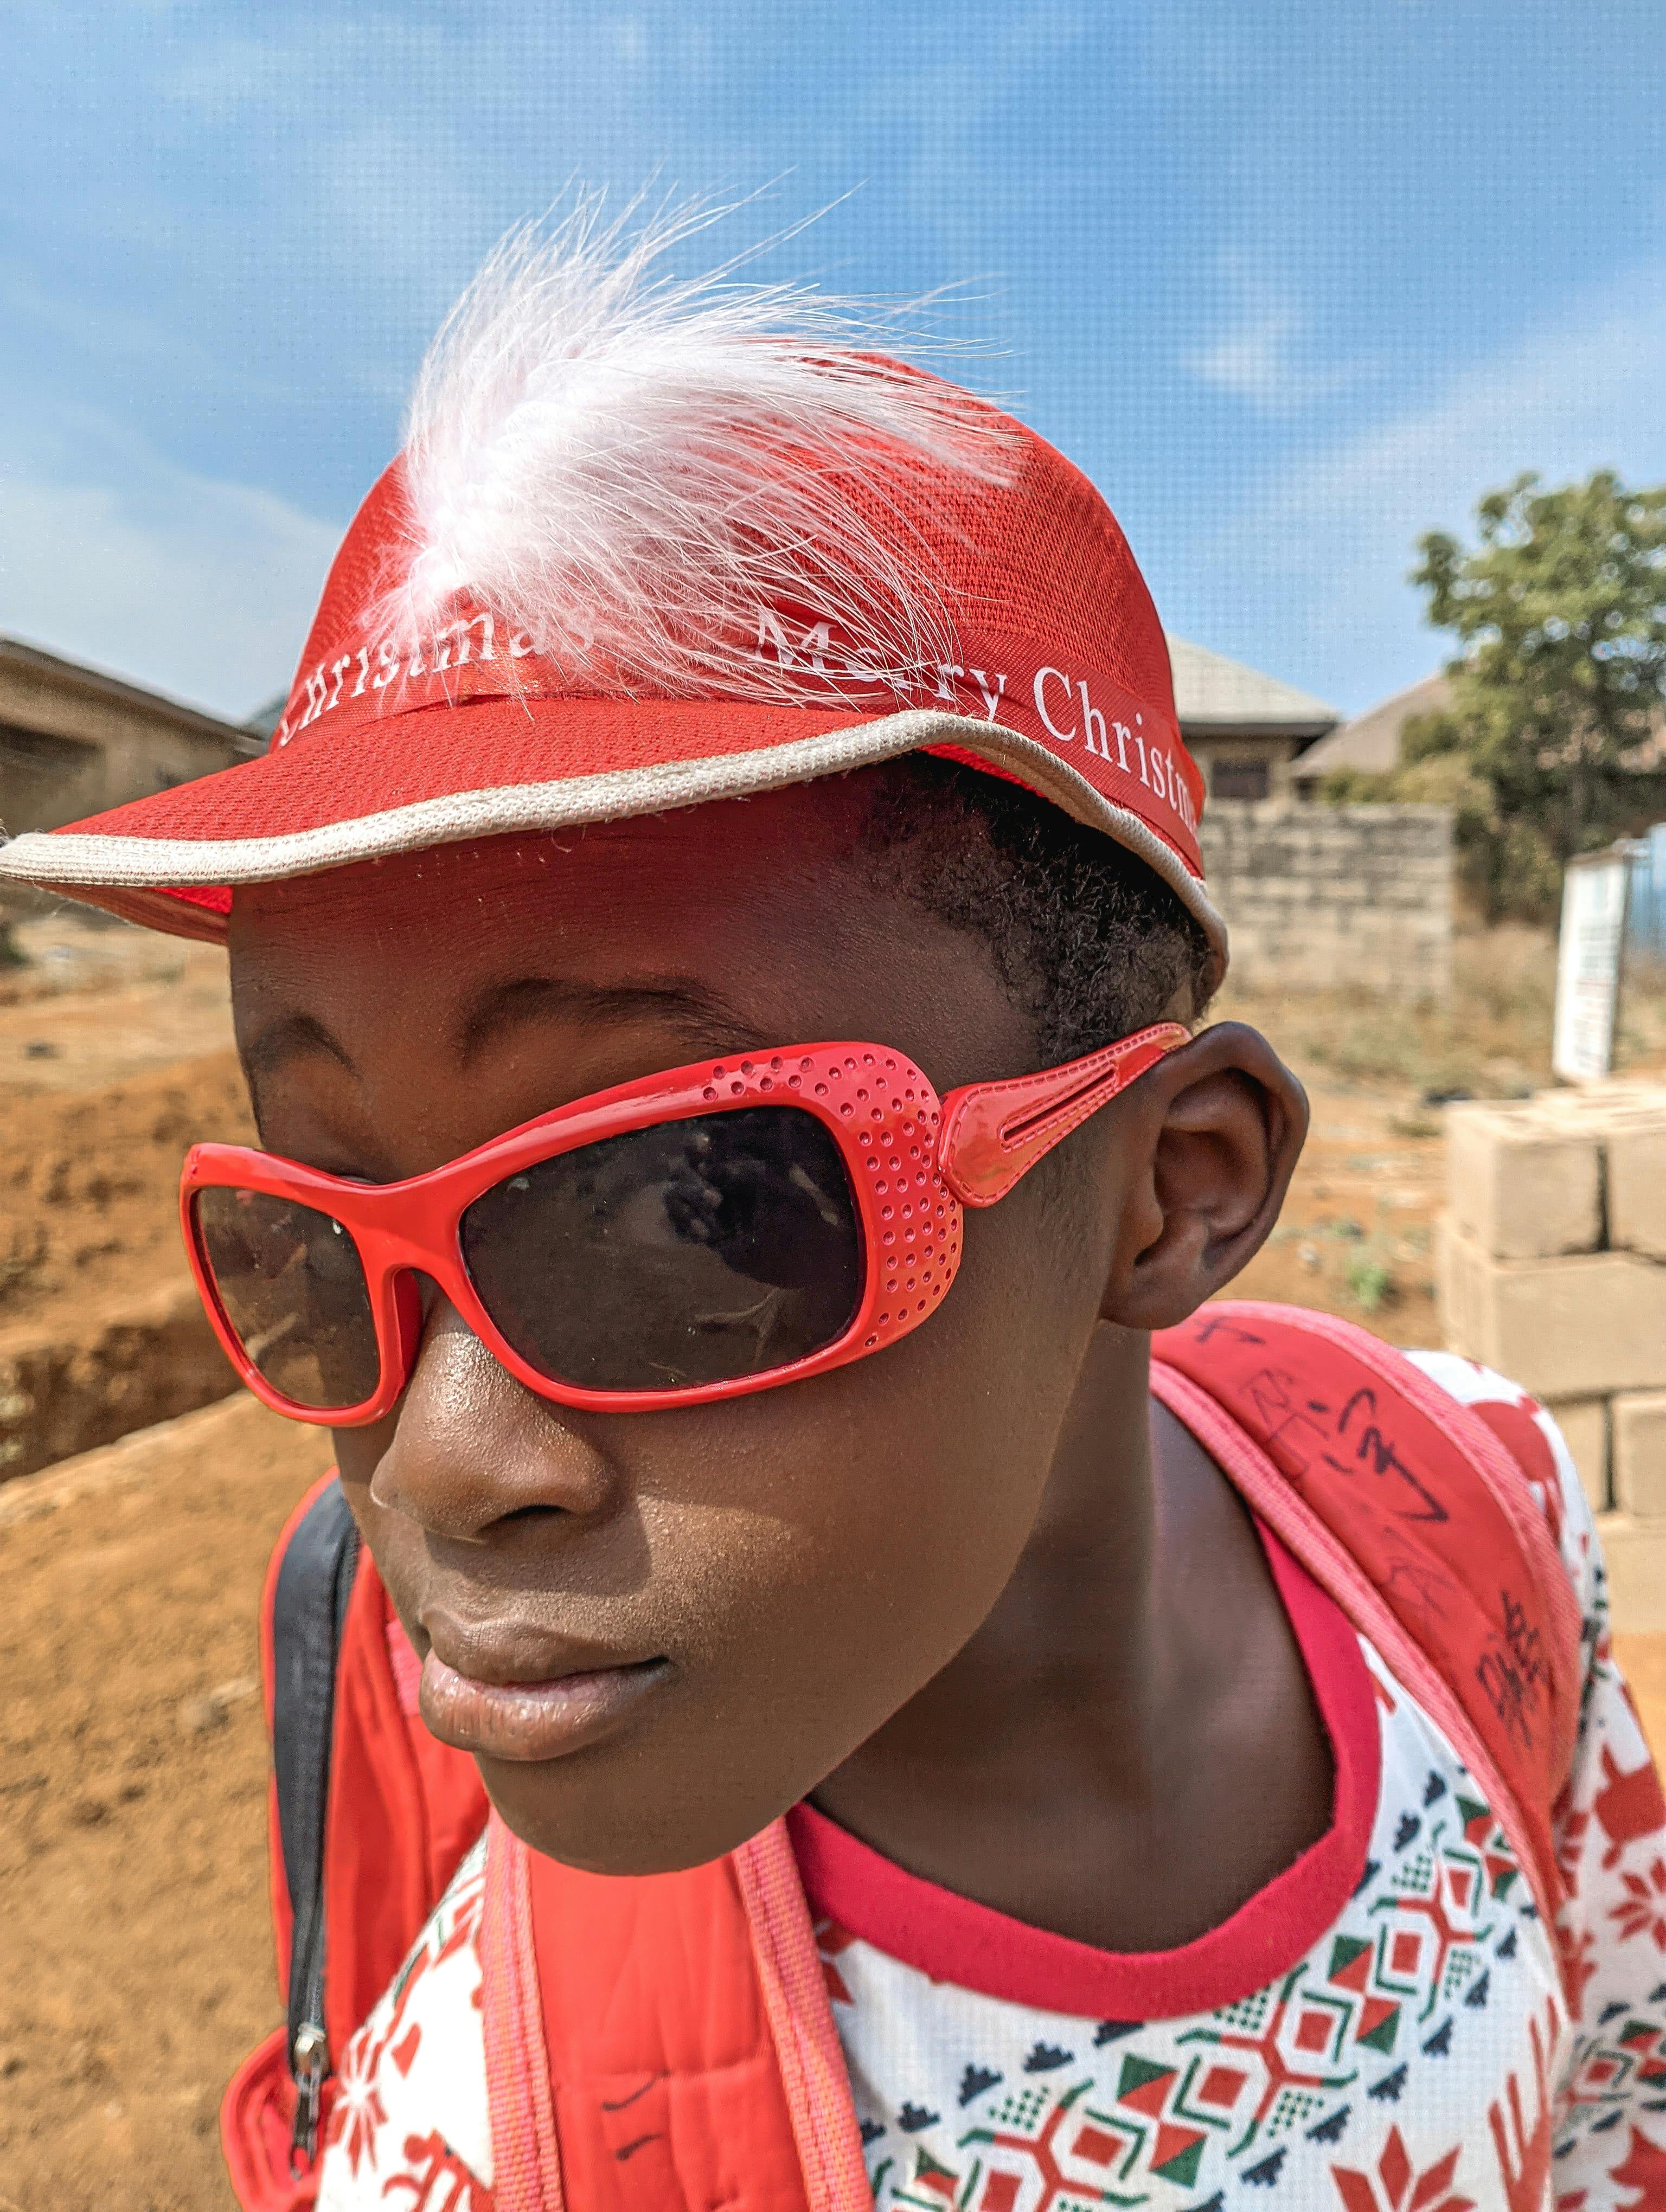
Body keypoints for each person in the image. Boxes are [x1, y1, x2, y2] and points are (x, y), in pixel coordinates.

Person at [7, 200, 1666, 2212]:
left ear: (1176, 1190)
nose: (439, 1464)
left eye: (684, 1212)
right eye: (311, 1247)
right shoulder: (497, 2143)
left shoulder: (1472, 1517)